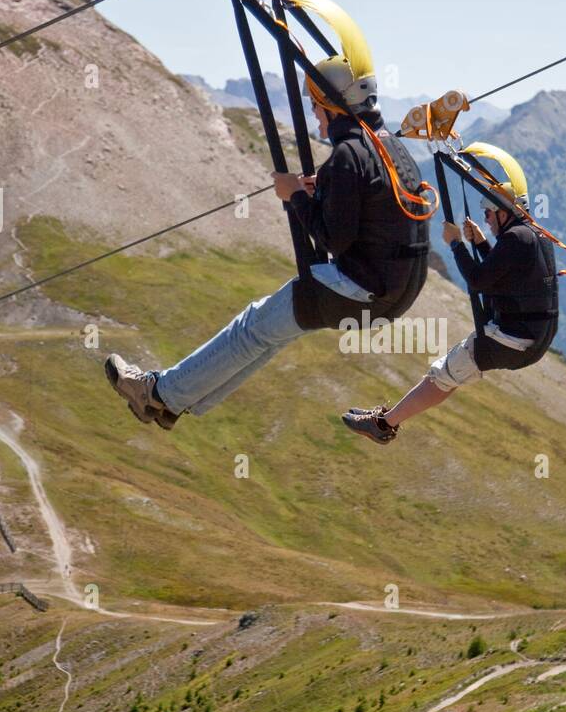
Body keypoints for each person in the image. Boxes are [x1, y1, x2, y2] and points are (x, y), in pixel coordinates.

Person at [104, 54, 430, 430]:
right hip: (396, 294)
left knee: (253, 327)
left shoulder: (347, 155)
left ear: (332, 105)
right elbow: (371, 210)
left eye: (316, 107)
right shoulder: (389, 148)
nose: (315, 117)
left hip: (359, 291)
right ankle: (172, 402)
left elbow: (334, 239)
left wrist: (295, 195)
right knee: (267, 333)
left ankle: (157, 395)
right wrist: (319, 194)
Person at [341, 168, 559, 444]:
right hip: (532, 337)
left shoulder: (515, 238)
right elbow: (502, 274)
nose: (487, 219)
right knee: (450, 374)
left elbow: (478, 280)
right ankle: (387, 419)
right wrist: (479, 243)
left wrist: (456, 243)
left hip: (510, 339)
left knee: (442, 373)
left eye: (489, 214)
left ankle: (383, 424)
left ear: (503, 212)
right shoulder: (534, 235)